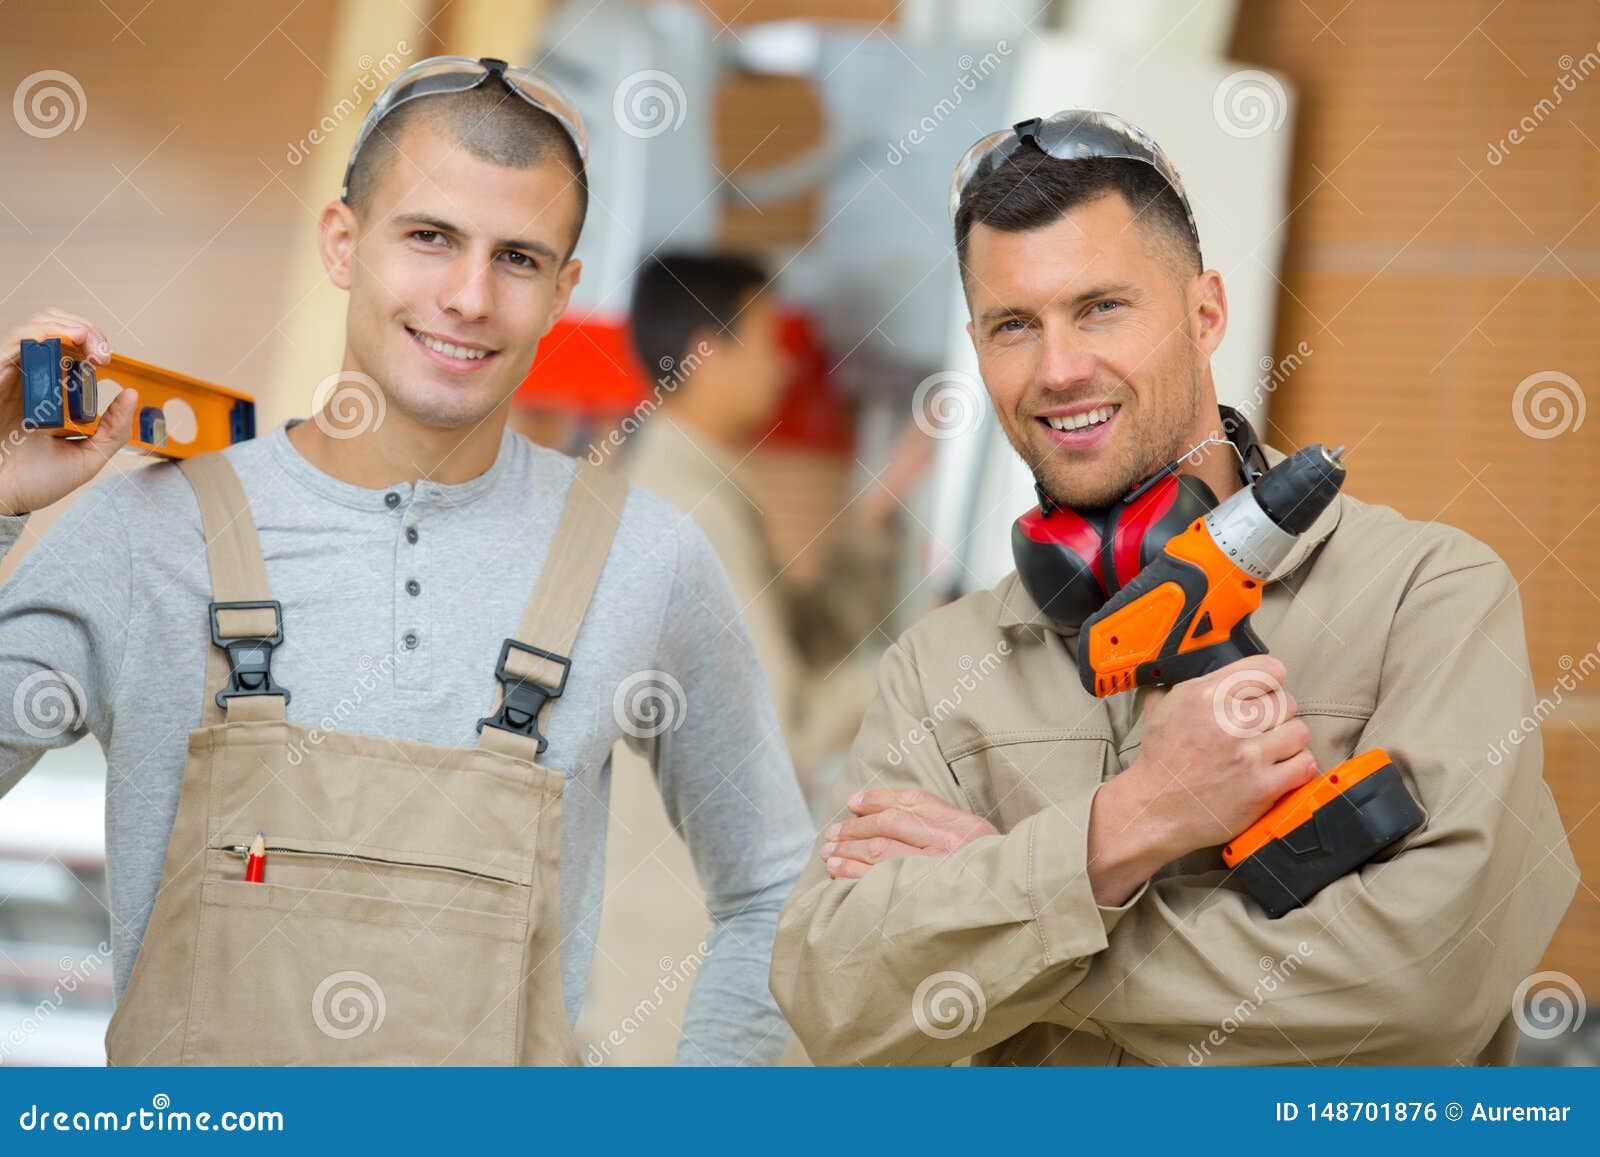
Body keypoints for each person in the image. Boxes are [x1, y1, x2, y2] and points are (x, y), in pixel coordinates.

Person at [0, 56, 812, 1066]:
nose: (468, 296)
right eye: (430, 238)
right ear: (342, 243)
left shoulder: (646, 558)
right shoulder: (148, 532)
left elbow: (773, 887)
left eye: (517, 258)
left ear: (564, 289)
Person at [769, 109, 1577, 1066]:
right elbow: (831, 993)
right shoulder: (940, 664)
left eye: (1102, 307)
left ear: (1205, 313)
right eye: (1014, 325)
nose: (1060, 369)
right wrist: (1132, 825)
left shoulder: (1426, 595)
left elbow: (1428, 980)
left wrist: (1010, 911)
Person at [621, 253, 929, 801]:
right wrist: (931, 663)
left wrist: (874, 514)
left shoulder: (691, 485)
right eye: (769, 342)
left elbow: (801, 641)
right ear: (707, 355)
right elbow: (783, 732)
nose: (784, 366)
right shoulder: (691, 513)